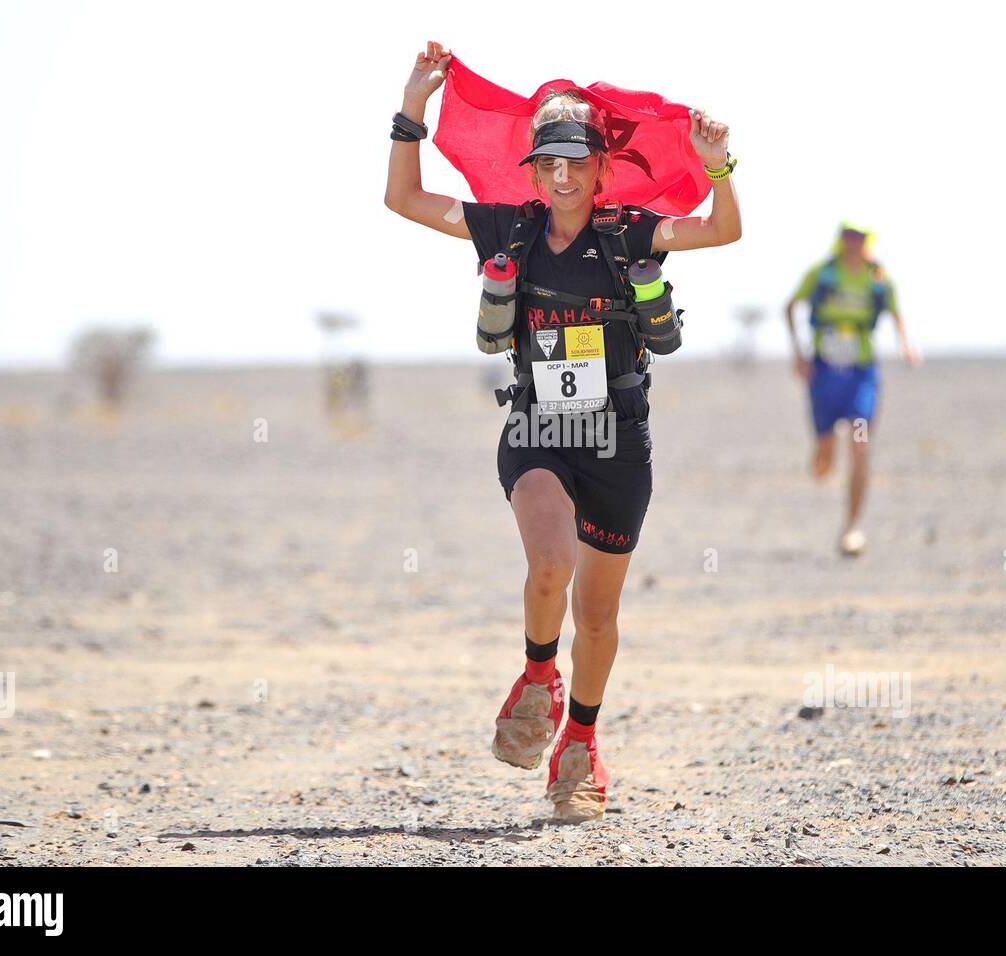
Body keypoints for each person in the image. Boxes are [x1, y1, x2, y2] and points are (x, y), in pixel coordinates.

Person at [384, 41, 741, 822]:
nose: (565, 175)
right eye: (550, 162)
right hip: (539, 430)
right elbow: (405, 201)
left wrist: (718, 165)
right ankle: (537, 675)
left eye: (578, 161)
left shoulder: (629, 234)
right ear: (535, 168)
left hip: (618, 442)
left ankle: (580, 742)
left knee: (600, 617)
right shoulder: (506, 229)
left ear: (599, 167)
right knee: (550, 567)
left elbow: (722, 232)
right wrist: (413, 106)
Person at [784, 222, 920, 557]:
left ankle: (852, 528)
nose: (853, 243)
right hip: (826, 374)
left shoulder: (878, 278)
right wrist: (799, 353)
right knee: (825, 456)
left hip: (861, 374)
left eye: (859, 238)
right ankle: (821, 455)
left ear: (868, 241)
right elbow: (790, 306)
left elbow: (896, 313)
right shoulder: (823, 274)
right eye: (847, 236)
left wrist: (906, 345)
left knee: (859, 444)